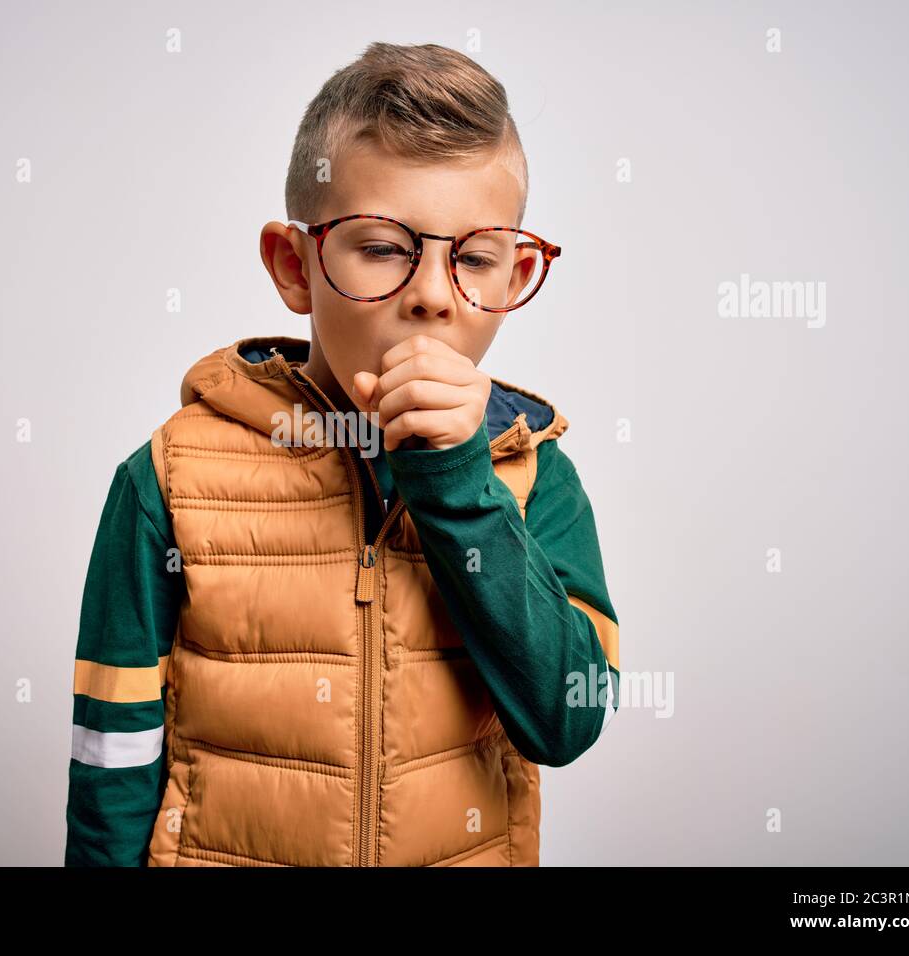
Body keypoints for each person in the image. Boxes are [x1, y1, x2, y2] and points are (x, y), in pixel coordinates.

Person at [65, 41, 619, 867]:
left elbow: (568, 722)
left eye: (475, 258)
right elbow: (112, 760)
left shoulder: (535, 475)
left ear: (515, 277)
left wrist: (456, 482)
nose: (431, 296)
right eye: (385, 248)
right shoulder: (169, 479)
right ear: (296, 266)